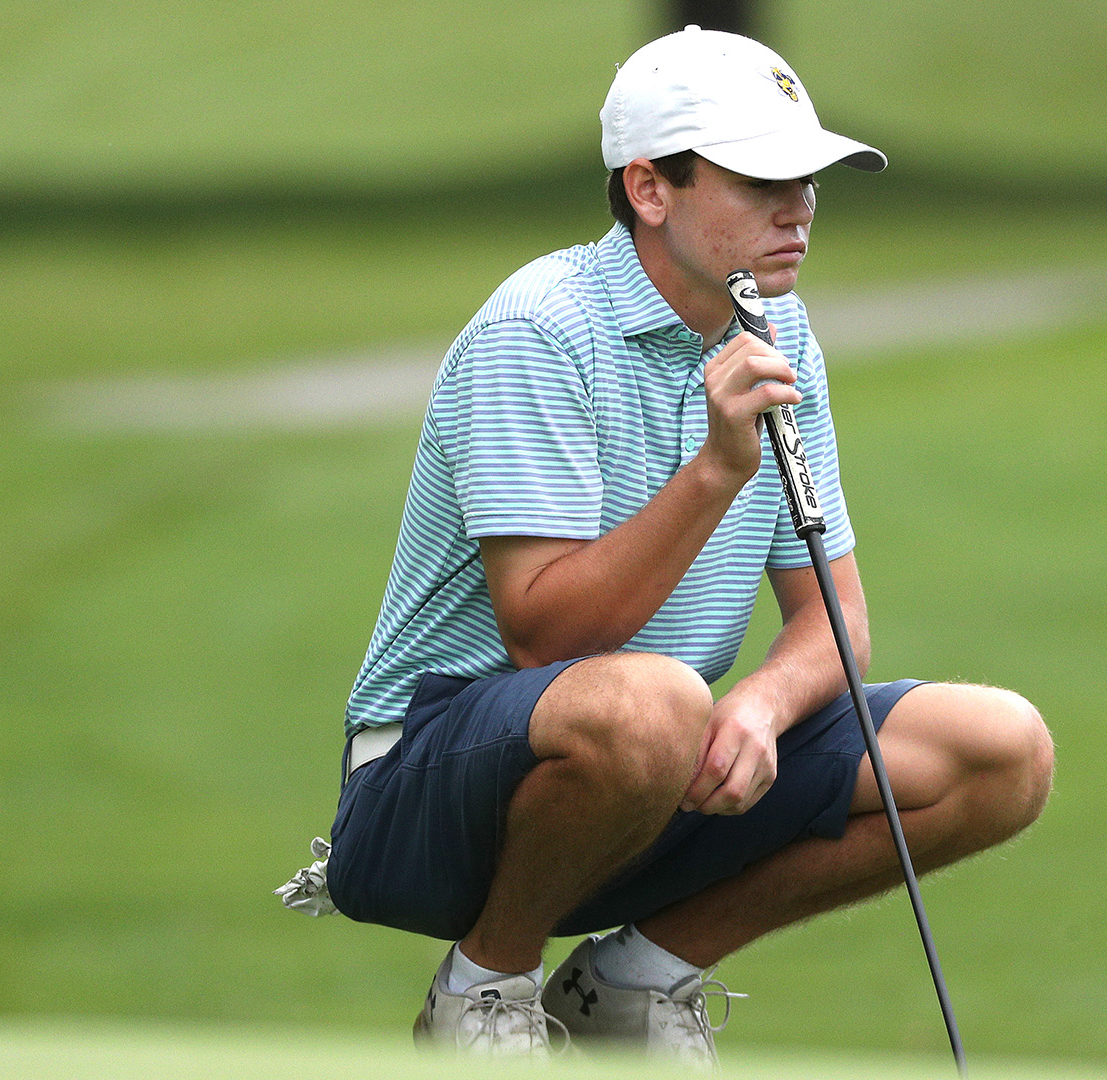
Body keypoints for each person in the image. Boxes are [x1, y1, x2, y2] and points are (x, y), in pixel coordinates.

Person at [314, 25, 1054, 1063]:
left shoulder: (780, 332)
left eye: (809, 178)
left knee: (997, 751)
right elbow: (545, 637)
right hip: (426, 792)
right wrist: (713, 472)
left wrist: (761, 704)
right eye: (761, 179)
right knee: (656, 698)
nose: (797, 208)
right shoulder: (540, 328)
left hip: (644, 772)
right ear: (651, 188)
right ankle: (485, 984)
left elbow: (833, 619)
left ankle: (633, 981)